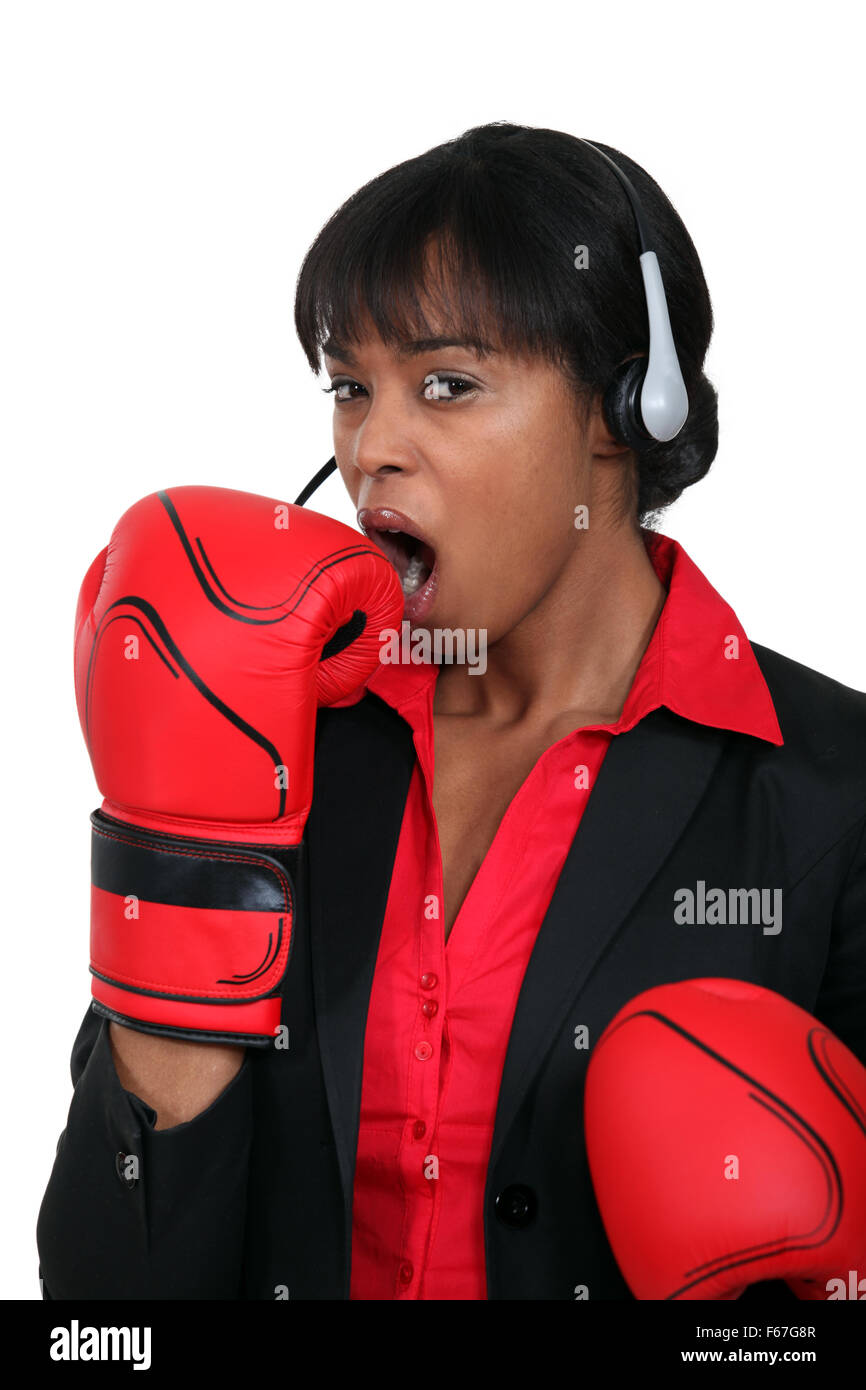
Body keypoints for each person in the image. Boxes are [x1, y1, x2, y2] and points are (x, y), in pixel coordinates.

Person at [37, 123, 866, 1300]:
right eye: (349, 388)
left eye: (447, 384)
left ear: (626, 409)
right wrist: (176, 861)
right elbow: (111, 1311)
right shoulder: (267, 753)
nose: (371, 448)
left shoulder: (830, 792)